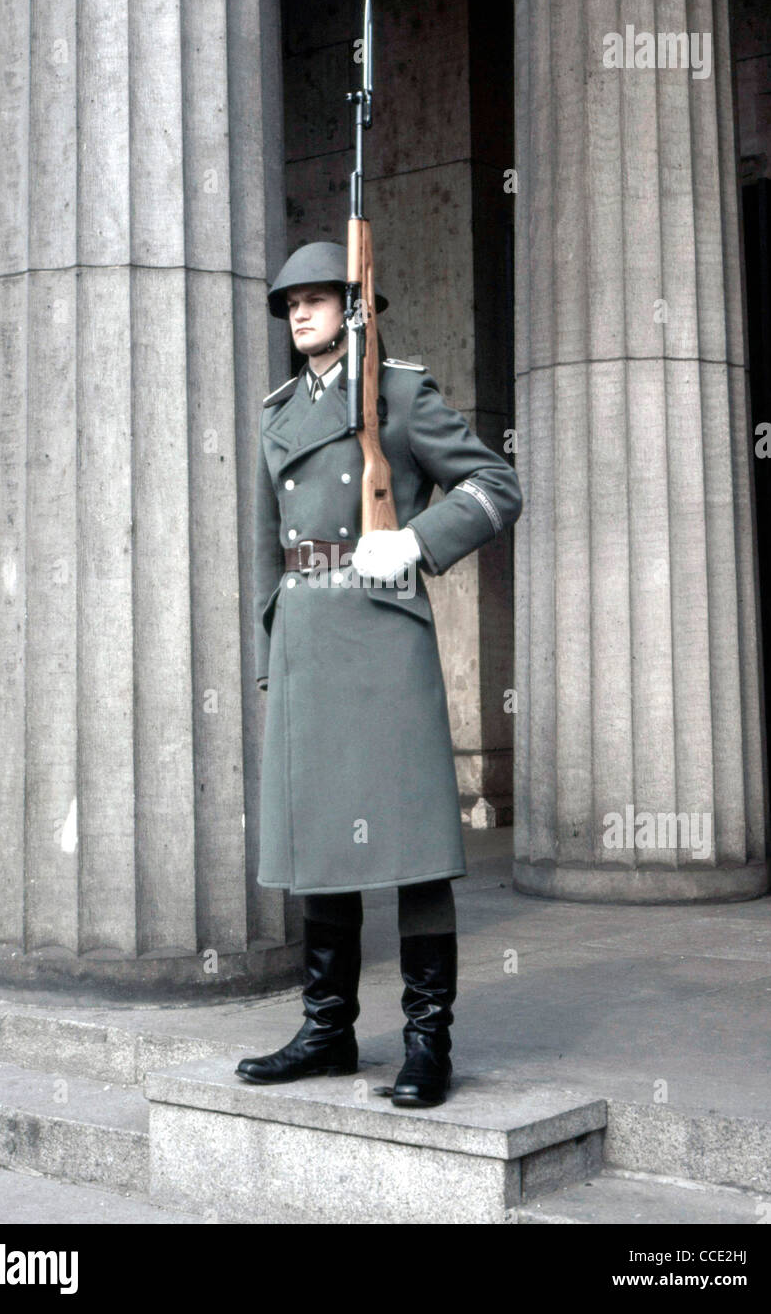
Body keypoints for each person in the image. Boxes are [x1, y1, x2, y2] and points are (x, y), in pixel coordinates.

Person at [236, 241, 522, 1106]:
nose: (299, 314)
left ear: (355, 307)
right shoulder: (277, 411)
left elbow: (494, 483)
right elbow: (264, 551)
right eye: (290, 305)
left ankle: (427, 1040)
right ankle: (329, 1031)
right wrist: (269, 652)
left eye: (316, 299)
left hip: (385, 636)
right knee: (323, 843)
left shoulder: (398, 392)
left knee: (415, 844)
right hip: (310, 641)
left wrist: (417, 541)